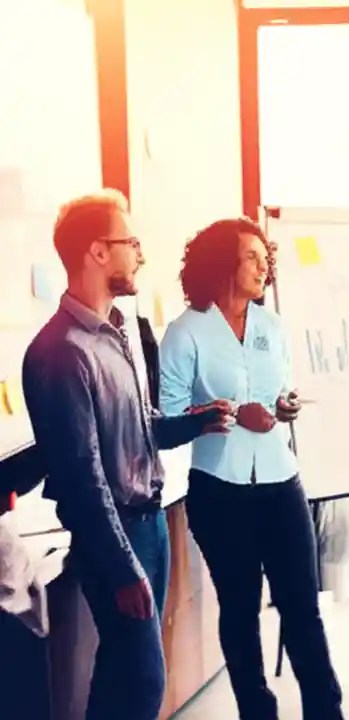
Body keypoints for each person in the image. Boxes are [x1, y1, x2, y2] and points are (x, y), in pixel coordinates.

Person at [22, 190, 229, 720]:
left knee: (127, 672)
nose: (140, 254)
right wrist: (120, 567)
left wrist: (201, 418)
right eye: (130, 242)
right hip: (117, 536)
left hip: (149, 523)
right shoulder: (59, 351)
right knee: (140, 680)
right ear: (96, 251)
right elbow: (81, 476)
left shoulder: (117, 333)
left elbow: (143, 430)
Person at [158, 218, 343, 720]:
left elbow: (279, 390)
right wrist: (234, 413)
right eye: (251, 257)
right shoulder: (184, 332)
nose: (264, 267)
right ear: (222, 263)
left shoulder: (272, 326)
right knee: (240, 614)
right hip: (220, 493)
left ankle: (327, 713)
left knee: (302, 609)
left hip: (282, 483)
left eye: (266, 258)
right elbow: (168, 416)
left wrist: (284, 407)